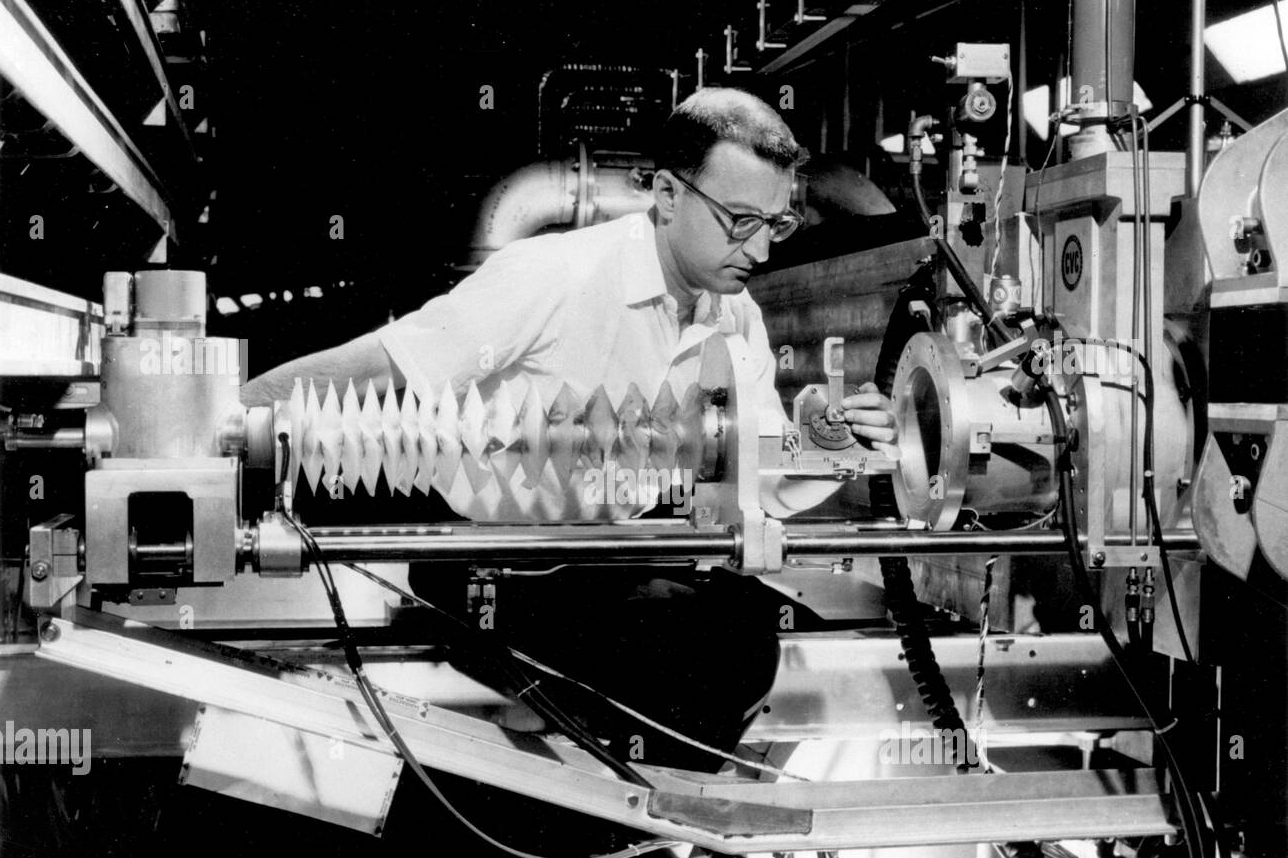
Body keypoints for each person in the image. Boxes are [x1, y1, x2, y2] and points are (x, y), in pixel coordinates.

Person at [241, 88, 898, 782]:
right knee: (683, 640)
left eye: (776, 223)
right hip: (495, 574)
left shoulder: (734, 317)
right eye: (739, 220)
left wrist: (830, 444)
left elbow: (757, 476)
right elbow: (378, 368)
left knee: (743, 640)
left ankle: (648, 837)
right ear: (669, 195)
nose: (760, 248)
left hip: (605, 563)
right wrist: (232, 418)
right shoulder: (554, 277)